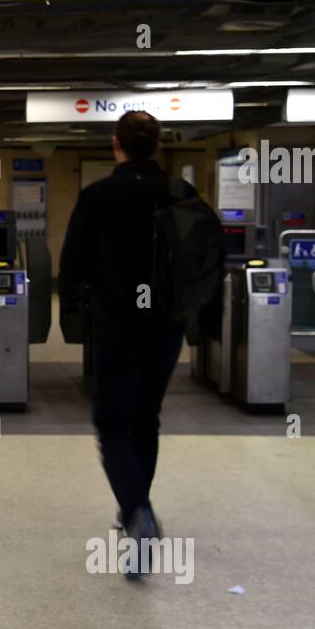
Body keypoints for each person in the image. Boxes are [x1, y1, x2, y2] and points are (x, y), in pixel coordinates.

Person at [58, 110, 197, 574]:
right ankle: (134, 506)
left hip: (117, 325)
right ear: (157, 146)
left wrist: (72, 313)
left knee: (112, 422)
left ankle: (137, 510)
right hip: (167, 325)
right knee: (146, 417)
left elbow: (72, 264)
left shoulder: (98, 196)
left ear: (116, 145)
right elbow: (204, 259)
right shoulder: (182, 193)